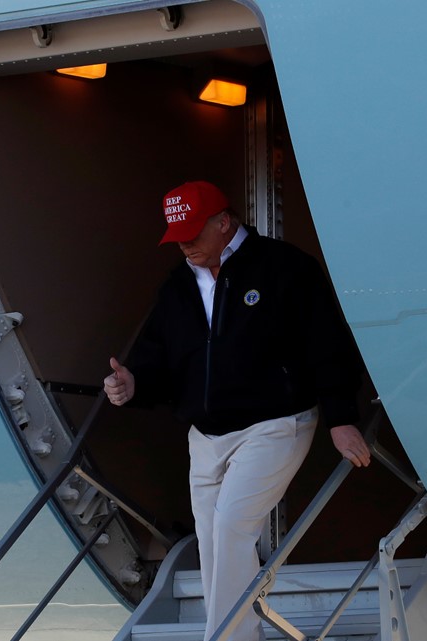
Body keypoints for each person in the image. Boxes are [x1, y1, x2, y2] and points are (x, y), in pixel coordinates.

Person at [104, 180, 370, 641]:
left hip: (276, 424)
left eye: (193, 233)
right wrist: (134, 382)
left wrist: (341, 417)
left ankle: (224, 638)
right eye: (177, 237)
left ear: (224, 222)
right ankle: (238, 635)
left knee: (230, 527)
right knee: (212, 540)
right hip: (206, 435)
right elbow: (159, 358)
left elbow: (327, 344)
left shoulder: (284, 267)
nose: (185, 245)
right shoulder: (178, 286)